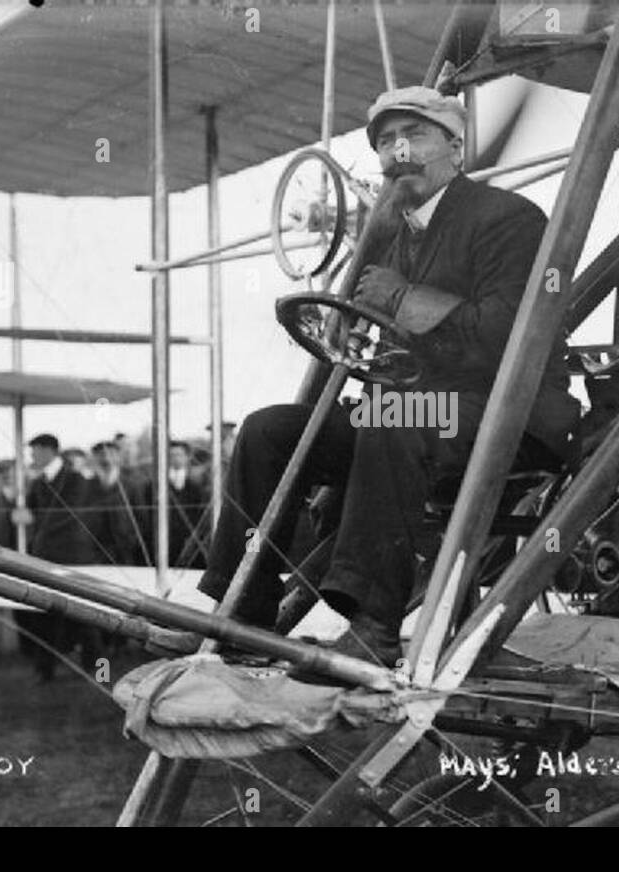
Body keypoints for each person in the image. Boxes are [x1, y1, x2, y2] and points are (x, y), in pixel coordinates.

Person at [197, 86, 579, 666]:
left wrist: (400, 299)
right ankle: (241, 612)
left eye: (416, 135)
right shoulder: (396, 235)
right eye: (386, 141)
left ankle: (373, 627)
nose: (399, 150)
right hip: (420, 415)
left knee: (390, 417)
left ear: (456, 146)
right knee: (268, 430)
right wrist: (347, 332)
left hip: (511, 410)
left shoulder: (509, 219)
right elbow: (393, 349)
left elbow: (509, 339)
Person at [16, 433, 104, 680]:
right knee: (45, 615)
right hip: (48, 557)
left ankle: (100, 671)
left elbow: (68, 516)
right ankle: (44, 671)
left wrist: (33, 519)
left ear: (48, 451)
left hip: (74, 557)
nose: (32, 456)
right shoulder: (39, 482)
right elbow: (31, 511)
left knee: (87, 618)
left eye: (35, 451)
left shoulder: (76, 480)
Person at [90, 440, 151, 566]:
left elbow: (142, 517)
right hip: (94, 549)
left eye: (111, 454)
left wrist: (132, 540)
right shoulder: (87, 484)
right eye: (101, 454)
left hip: (126, 549)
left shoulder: (132, 484)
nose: (106, 459)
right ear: (95, 458)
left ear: (119, 457)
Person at [166, 439, 211, 568]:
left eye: (179, 455)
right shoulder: (154, 486)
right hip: (165, 543)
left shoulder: (197, 487)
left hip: (190, 543)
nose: (175, 459)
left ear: (187, 458)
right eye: (171, 455)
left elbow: (200, 516)